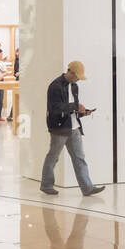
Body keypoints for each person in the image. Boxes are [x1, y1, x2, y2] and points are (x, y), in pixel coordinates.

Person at [40, 61, 104, 197]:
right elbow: (55, 108)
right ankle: (46, 185)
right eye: (77, 76)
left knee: (79, 158)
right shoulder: (55, 86)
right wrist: (75, 106)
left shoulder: (74, 86)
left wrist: (82, 112)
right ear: (71, 72)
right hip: (59, 127)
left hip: (74, 127)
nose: (78, 79)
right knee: (53, 157)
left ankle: (87, 188)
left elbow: (73, 108)